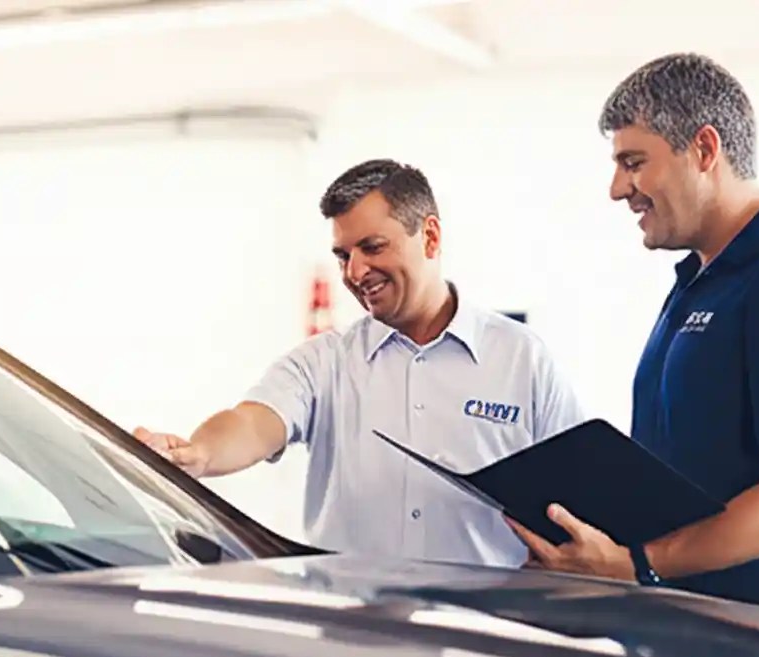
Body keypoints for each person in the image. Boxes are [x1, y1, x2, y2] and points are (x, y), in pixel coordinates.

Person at [507, 52, 759, 618]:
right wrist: (591, 545)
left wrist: (637, 564)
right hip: (679, 632)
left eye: (633, 162)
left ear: (705, 150)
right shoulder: (696, 285)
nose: (618, 188)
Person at [135, 159, 588, 567]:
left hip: (486, 623)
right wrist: (200, 454)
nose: (354, 272)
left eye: (372, 247)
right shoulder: (324, 362)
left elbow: (579, 498)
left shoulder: (522, 359)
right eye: (343, 255)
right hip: (354, 622)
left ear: (430, 237)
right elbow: (252, 423)